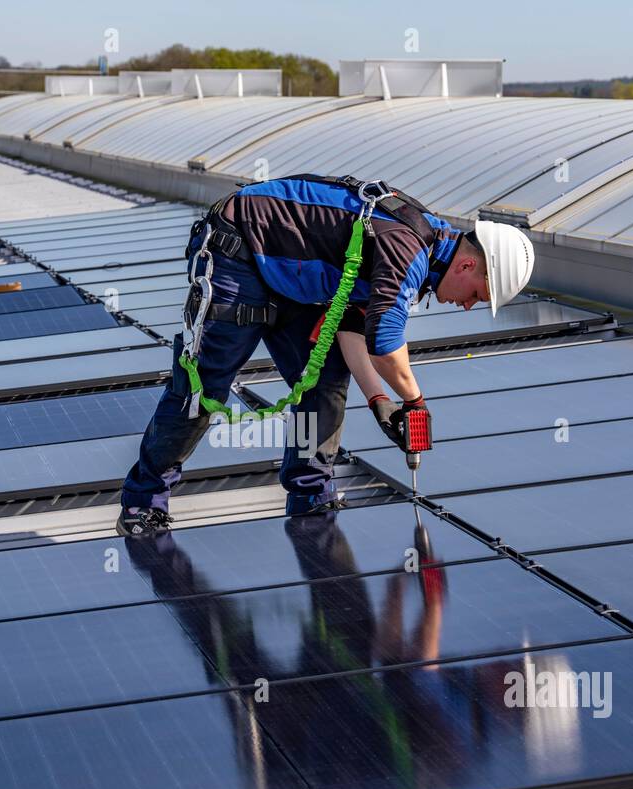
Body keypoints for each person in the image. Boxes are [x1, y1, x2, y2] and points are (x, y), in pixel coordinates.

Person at [116, 174, 535, 537]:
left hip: (289, 276)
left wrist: (380, 403)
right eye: (477, 296)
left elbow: (353, 327)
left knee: (324, 378)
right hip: (237, 251)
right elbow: (385, 342)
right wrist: (415, 403)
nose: (466, 306)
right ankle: (143, 502)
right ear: (466, 267)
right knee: (202, 385)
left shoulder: (420, 246)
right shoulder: (408, 247)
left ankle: (310, 492)